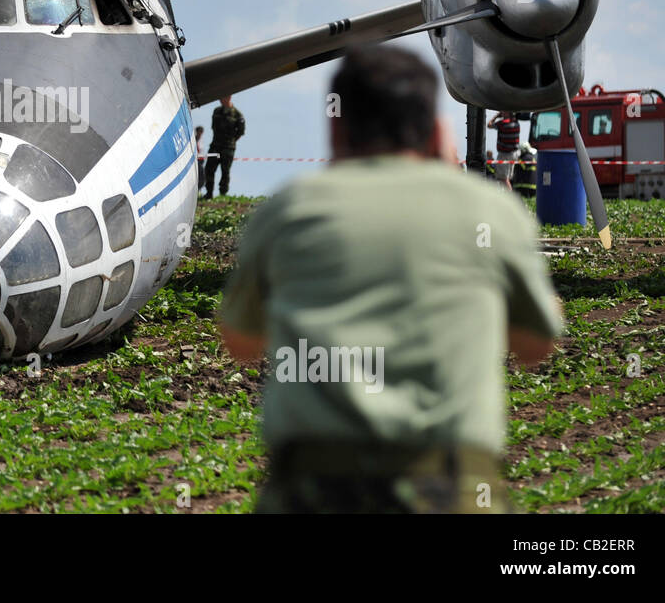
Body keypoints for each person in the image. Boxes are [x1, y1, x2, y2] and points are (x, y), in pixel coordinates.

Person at [220, 46, 563, 514]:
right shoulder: (491, 212)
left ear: (336, 126)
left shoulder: (288, 210)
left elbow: (240, 343)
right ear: (435, 128)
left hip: (313, 485)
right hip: (450, 484)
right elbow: (534, 346)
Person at [203, 96, 244, 199]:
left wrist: (230, 142)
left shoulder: (237, 115)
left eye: (223, 97)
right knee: (209, 169)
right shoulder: (216, 111)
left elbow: (240, 132)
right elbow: (213, 127)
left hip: (228, 148)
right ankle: (209, 193)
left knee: (225, 171)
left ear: (229, 97)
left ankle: (222, 194)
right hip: (215, 146)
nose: (220, 99)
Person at [488, 111, 520, 185]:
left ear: (506, 112)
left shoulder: (502, 123)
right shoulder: (516, 124)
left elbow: (489, 125)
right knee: (507, 178)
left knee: (503, 179)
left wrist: (496, 117)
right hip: (514, 154)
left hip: (504, 154)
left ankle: (509, 195)